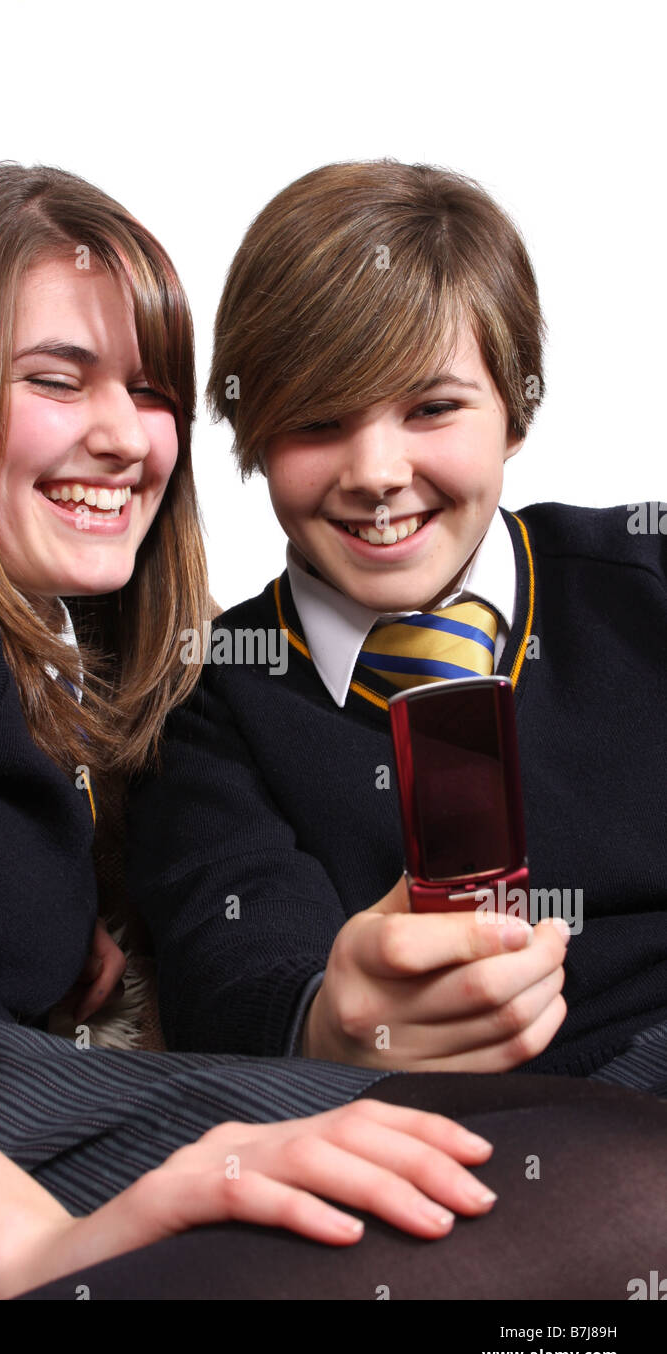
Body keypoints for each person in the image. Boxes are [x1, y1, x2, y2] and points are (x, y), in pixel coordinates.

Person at [0, 159, 527, 1304]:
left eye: (149, 394)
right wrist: (29, 1254)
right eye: (56, 379)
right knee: (515, 1166)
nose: (125, 438)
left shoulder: (59, 701)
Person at [125, 158, 667, 1089]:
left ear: (516, 414)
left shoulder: (646, 579)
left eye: (433, 409)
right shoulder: (214, 705)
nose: (376, 470)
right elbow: (238, 963)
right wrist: (327, 1022)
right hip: (460, 1134)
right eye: (320, 419)